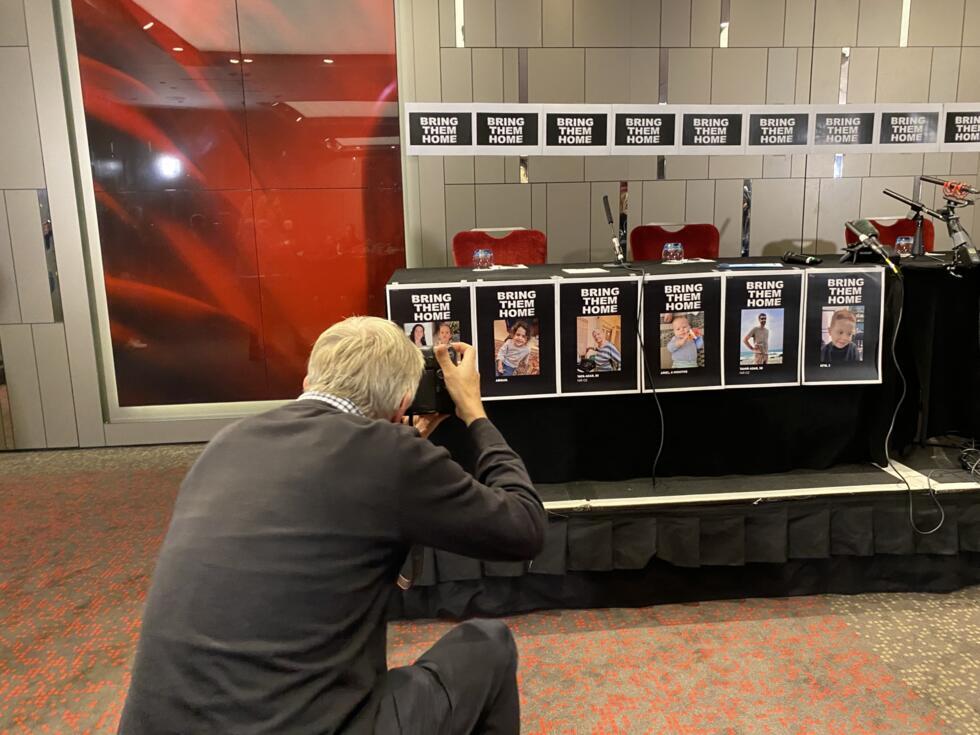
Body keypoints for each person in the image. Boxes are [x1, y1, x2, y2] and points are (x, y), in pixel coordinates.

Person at [118, 316, 546, 735]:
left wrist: (405, 441)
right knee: (487, 646)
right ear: (403, 402)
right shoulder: (390, 455)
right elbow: (524, 527)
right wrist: (474, 413)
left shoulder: (228, 442)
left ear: (309, 380)